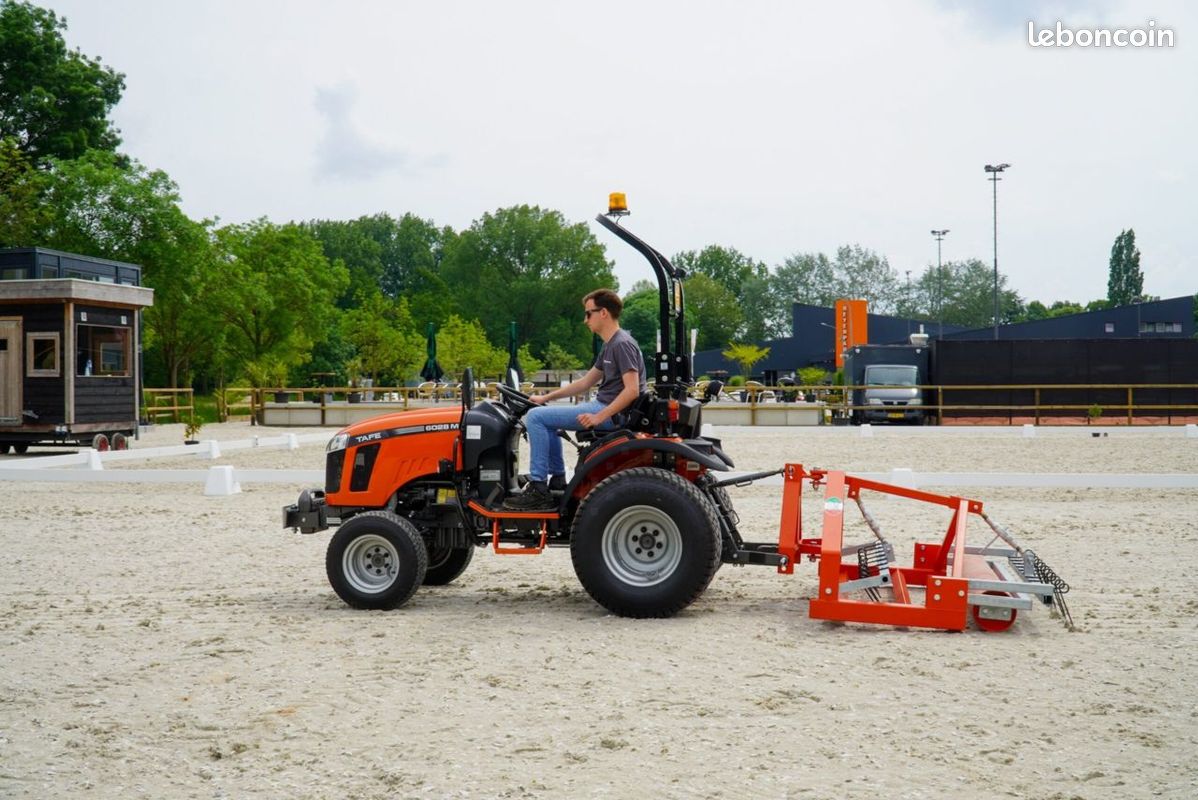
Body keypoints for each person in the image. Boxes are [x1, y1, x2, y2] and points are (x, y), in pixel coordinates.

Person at [503, 288, 647, 510]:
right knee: (542, 415)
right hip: (604, 408)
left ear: (604, 313)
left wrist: (599, 416)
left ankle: (538, 487)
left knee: (535, 418)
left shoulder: (622, 344)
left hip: (611, 414)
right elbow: (584, 383)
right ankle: (557, 479)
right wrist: (545, 397)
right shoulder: (610, 345)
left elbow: (632, 390)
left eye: (588, 313)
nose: (584, 320)